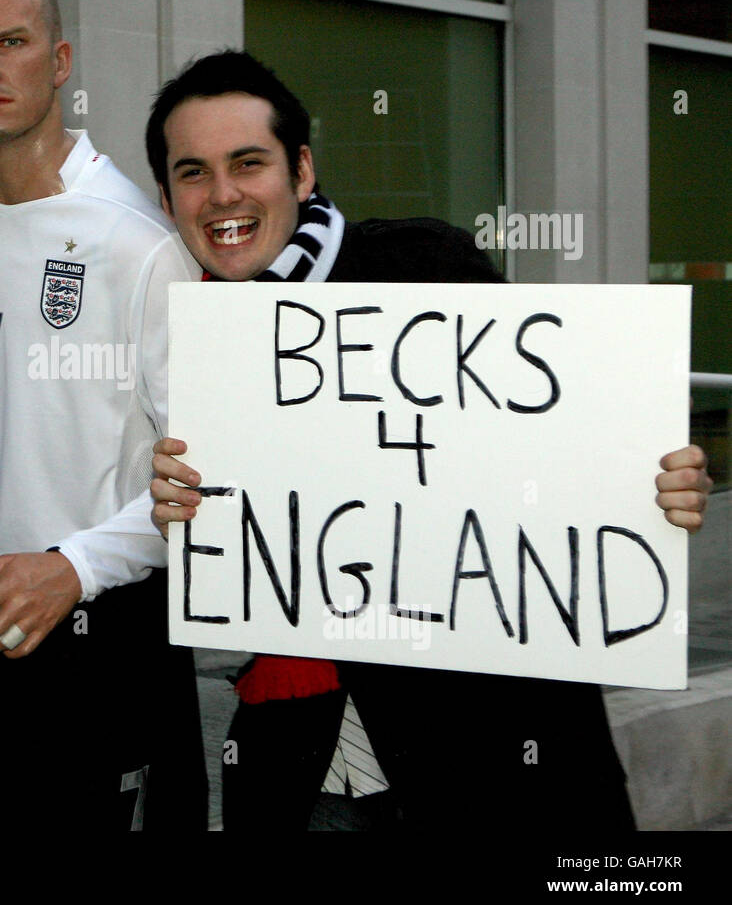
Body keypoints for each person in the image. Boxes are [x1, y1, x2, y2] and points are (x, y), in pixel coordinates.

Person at [144, 50, 713, 830]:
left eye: (249, 163)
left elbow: (558, 450)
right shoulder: (176, 344)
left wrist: (653, 486)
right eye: (193, 172)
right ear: (168, 197)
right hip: (296, 765)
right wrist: (171, 509)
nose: (223, 195)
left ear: (302, 171)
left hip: (485, 754)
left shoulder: (421, 266)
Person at [0, 0, 207, 829]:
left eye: (11, 42)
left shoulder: (140, 245)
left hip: (103, 630)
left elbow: (202, 480)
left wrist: (72, 569)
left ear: (62, 59)